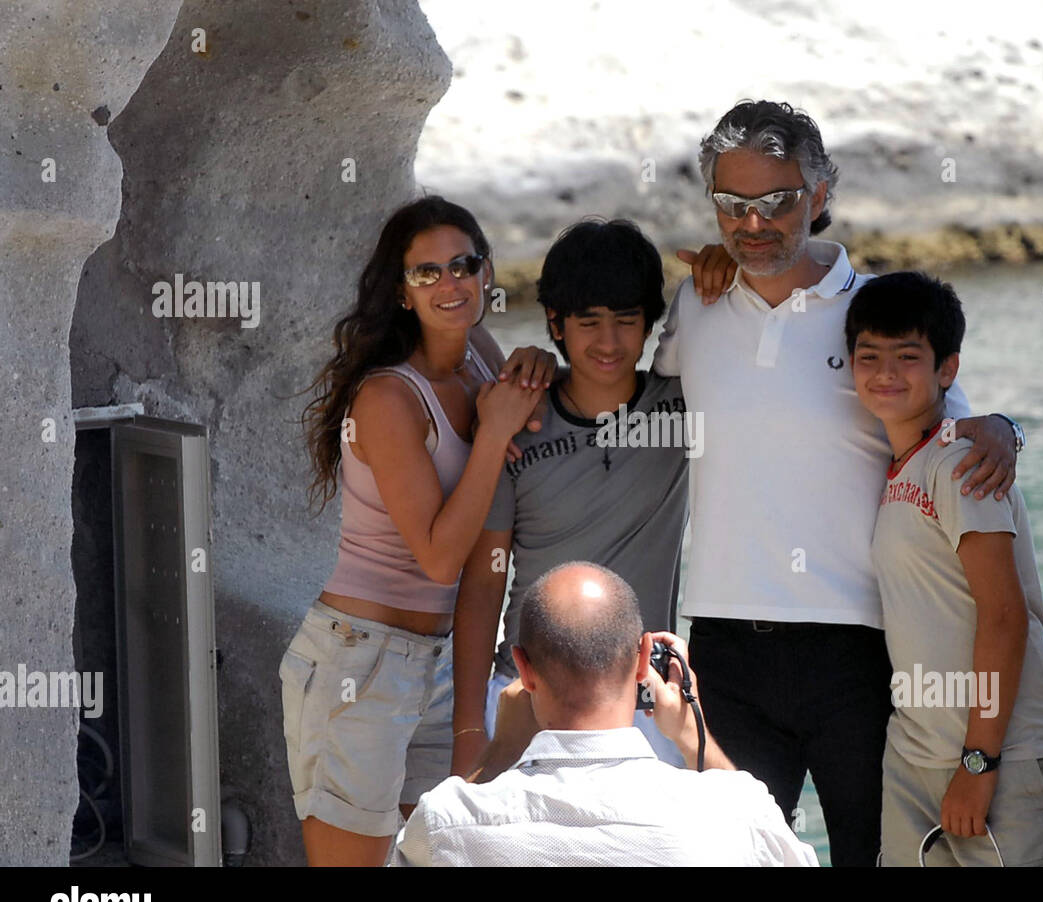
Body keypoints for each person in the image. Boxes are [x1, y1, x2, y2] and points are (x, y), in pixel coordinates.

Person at [652, 100, 1026, 866]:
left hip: (861, 652)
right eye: (733, 205)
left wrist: (1010, 427)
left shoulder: (878, 315)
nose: (753, 224)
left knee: (871, 858)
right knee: (730, 857)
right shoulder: (697, 302)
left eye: (777, 201)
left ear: (820, 194)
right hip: (723, 645)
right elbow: (612, 400)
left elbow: (956, 430)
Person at [284, 195, 555, 866]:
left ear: (487, 273)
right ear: (400, 293)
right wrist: (492, 434)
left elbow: (525, 415)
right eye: (425, 273)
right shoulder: (387, 398)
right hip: (361, 661)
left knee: (440, 857)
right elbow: (438, 558)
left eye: (462, 265)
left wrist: (538, 368)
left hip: (440, 662)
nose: (449, 284)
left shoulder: (477, 356)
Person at [845, 271, 1043, 866]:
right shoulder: (903, 466)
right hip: (915, 757)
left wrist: (980, 762)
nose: (885, 373)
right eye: (868, 356)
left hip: (1005, 757)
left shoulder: (961, 465)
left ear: (947, 369)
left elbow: (1004, 617)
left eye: (907, 357)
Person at [451, 218, 693, 775]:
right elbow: (485, 583)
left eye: (626, 321)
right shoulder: (517, 422)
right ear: (556, 323)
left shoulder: (682, 411)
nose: (608, 342)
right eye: (588, 322)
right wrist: (468, 726)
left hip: (641, 703)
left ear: (650, 325)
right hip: (525, 698)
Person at [393, 562, 819, 866]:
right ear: (642, 661)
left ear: (524, 669)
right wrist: (691, 735)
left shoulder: (446, 822)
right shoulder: (735, 814)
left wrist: (500, 750)